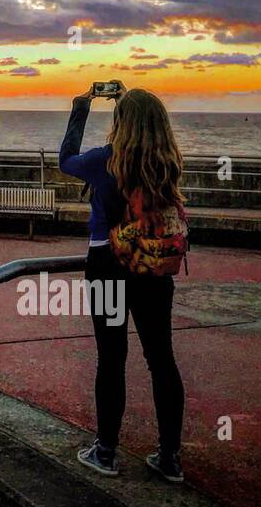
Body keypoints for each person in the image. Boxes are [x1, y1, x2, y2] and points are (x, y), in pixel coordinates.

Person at [59, 83, 186, 482]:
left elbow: (66, 160)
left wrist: (81, 107)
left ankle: (106, 452)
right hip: (153, 268)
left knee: (112, 357)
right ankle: (169, 457)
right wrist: (127, 99)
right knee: (161, 359)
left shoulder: (106, 160)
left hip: (107, 266)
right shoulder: (166, 162)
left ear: (120, 122)